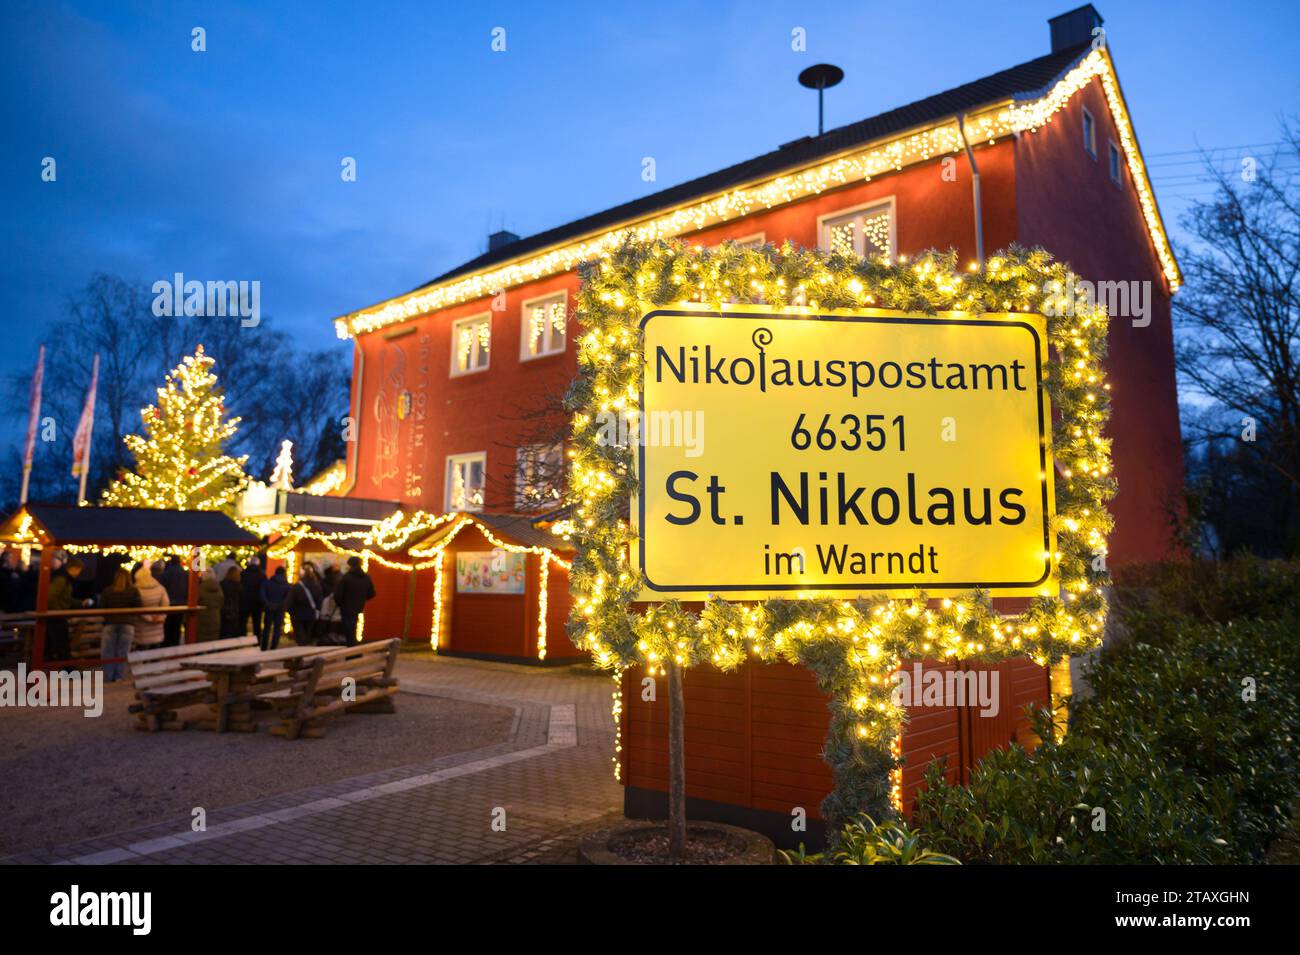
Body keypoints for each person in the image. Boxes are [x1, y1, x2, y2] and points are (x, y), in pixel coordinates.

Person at [98, 567, 141, 683]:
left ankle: (108, 676)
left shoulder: (108, 591)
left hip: (110, 623)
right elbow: (139, 606)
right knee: (122, 652)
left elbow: (101, 607)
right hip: (127, 624)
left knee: (108, 651)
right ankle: (118, 676)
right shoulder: (133, 591)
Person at [46, 556, 86, 665]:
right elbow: (50, 597)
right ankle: (68, 671)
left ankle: (33, 670)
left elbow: (64, 597)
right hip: (57, 617)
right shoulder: (62, 579)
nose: (78, 573)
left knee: (48, 644)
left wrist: (79, 603)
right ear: (74, 568)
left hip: (55, 616)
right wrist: (58, 611)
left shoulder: (63, 578)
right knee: (62, 644)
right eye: (79, 570)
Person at [334, 556, 375, 646]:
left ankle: (351, 650)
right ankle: (353, 649)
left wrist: (341, 604)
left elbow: (338, 595)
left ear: (350, 565)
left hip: (346, 608)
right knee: (353, 628)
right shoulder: (366, 578)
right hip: (358, 607)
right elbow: (372, 593)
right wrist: (361, 599)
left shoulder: (346, 578)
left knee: (348, 630)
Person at [132, 561, 168, 649]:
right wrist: (160, 617)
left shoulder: (135, 590)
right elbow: (165, 605)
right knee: (155, 651)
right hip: (157, 627)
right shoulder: (160, 588)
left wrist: (149, 618)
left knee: (141, 652)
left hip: (141, 628)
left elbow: (137, 607)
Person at [259, 566, 290, 650]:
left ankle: (264, 647)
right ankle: (273, 648)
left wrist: (268, 604)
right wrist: (280, 605)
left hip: (269, 608)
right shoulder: (286, 585)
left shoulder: (267, 582)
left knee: (266, 628)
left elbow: (262, 594)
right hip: (279, 610)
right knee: (277, 628)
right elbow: (287, 598)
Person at [160, 554, 188, 647]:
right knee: (177, 628)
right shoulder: (185, 574)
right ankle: (175, 646)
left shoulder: (166, 574)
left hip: (168, 604)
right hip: (181, 604)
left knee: (167, 628)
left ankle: (166, 646)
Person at [286, 571, 319, 646]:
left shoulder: (296, 586)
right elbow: (319, 601)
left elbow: (289, 601)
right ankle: (306, 651)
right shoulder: (316, 586)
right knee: (308, 635)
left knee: (300, 637)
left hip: (297, 615)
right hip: (311, 614)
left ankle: (301, 653)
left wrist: (290, 612)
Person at [240, 557, 265, 638]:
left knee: (242, 623)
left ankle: (242, 641)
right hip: (257, 604)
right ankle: (257, 643)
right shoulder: (262, 575)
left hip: (244, 602)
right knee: (257, 625)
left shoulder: (243, 573)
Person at [219, 565, 242, 638]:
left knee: (223, 632)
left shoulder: (222, 584)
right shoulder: (238, 586)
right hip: (234, 612)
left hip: (223, 610)